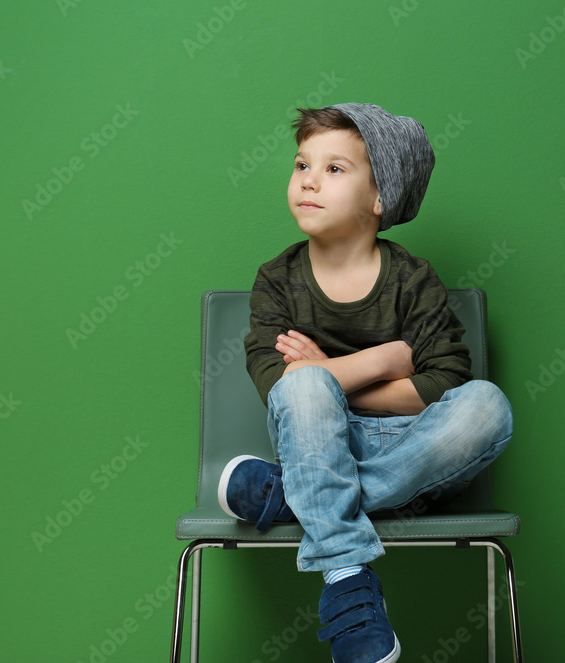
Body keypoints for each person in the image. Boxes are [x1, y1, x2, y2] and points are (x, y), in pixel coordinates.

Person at [218, 103, 513, 663]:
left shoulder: (414, 280)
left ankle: (297, 498)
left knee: (487, 406)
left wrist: (324, 372)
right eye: (302, 164)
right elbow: (280, 386)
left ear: (380, 200)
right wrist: (387, 358)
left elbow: (445, 383)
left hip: (414, 451)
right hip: (318, 440)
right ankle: (348, 580)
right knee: (301, 392)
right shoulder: (277, 281)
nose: (308, 179)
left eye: (334, 169)